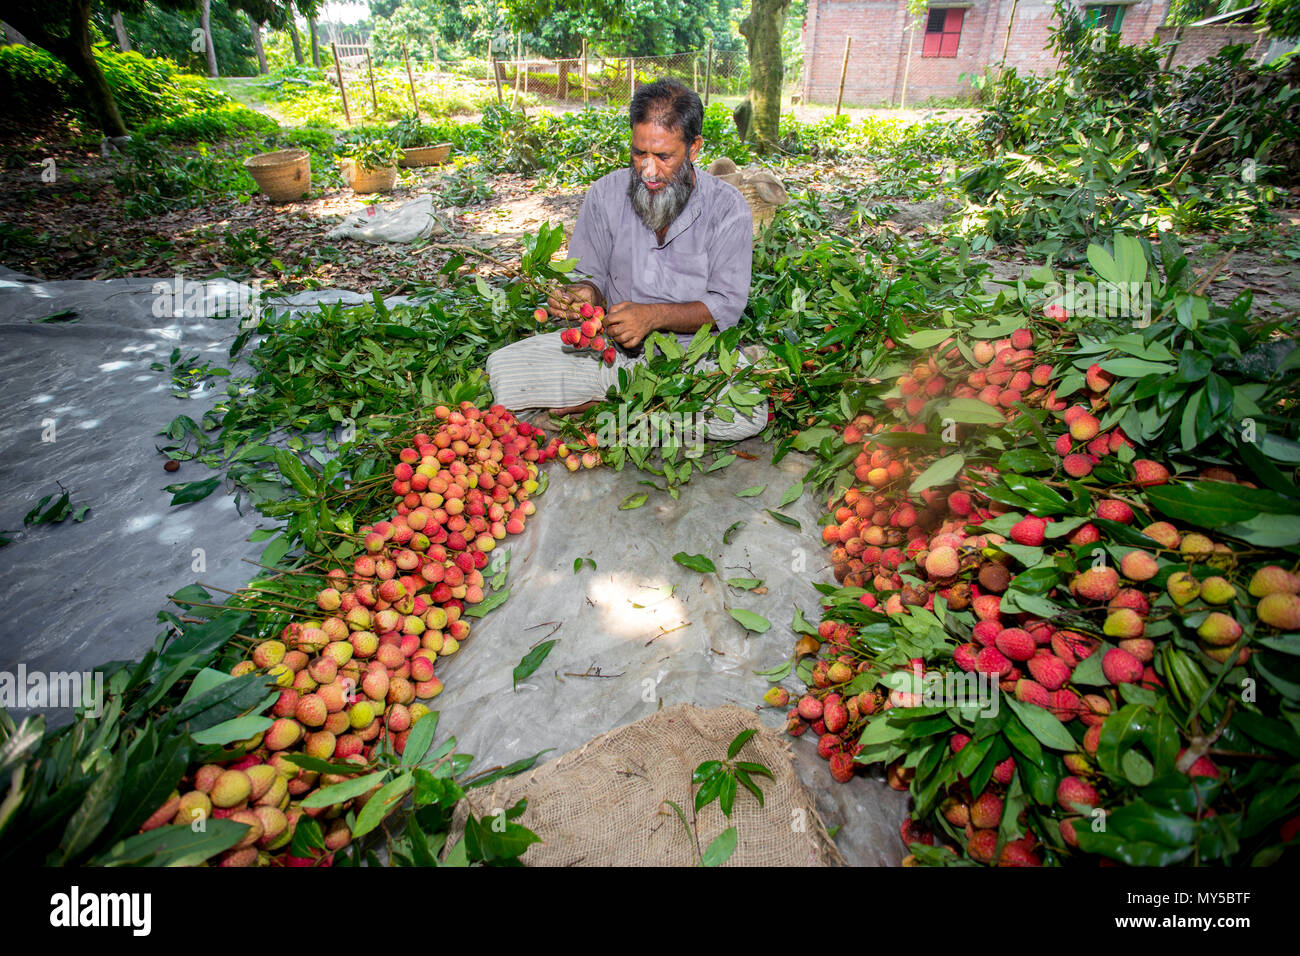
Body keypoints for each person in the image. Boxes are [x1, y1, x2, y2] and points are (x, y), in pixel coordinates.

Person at [485, 78, 769, 441]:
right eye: (639, 153)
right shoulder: (605, 194)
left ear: (694, 148)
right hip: (612, 354)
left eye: (664, 157)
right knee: (504, 371)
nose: (648, 171)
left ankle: (612, 404)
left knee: (746, 414)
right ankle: (634, 403)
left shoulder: (728, 208)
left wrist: (654, 317)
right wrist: (584, 293)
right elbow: (589, 276)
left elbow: (726, 306)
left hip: (692, 360)